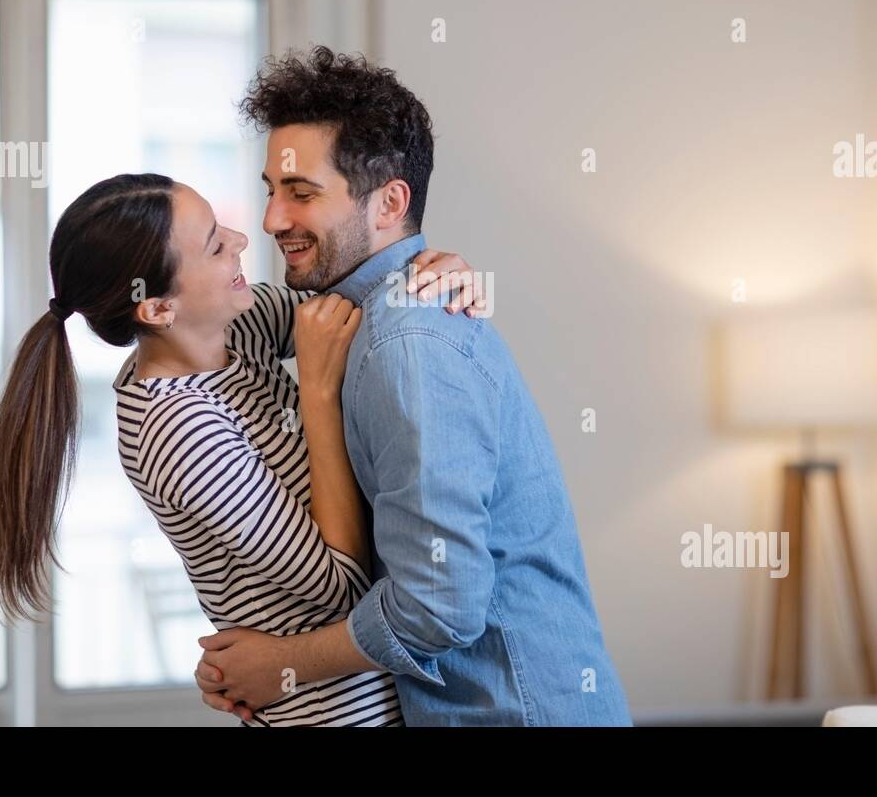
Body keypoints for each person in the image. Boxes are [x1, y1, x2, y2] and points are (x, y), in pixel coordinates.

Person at [194, 47, 632, 726]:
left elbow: (439, 604)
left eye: (301, 193)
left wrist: (281, 665)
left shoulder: (407, 344)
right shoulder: (350, 316)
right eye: (271, 190)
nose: (272, 220)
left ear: (389, 202)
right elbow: (199, 321)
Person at [0, 171, 480, 725]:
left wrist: (431, 273)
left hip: (392, 698)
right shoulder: (174, 430)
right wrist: (315, 393)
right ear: (158, 309)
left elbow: (353, 310)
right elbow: (342, 587)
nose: (243, 241)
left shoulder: (234, 330)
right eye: (216, 244)